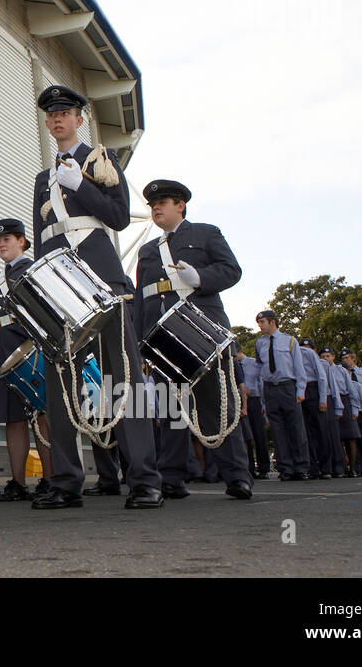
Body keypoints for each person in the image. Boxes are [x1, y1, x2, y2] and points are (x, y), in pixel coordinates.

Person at [29, 85, 163, 511]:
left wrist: (81, 186)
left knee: (123, 378)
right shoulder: (41, 179)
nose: (58, 119)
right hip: (59, 284)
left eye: (65, 112)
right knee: (60, 383)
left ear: (79, 119)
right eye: (52, 114)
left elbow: (119, 216)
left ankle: (144, 479)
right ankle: (67, 481)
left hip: (101, 278)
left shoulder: (99, 161)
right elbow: (41, 239)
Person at [135, 179, 251, 500]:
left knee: (215, 403)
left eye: (163, 202)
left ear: (180, 205)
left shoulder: (205, 233)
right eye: (153, 204)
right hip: (163, 334)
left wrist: (200, 278)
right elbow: (143, 298)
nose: (156, 208)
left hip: (202, 328)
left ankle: (237, 476)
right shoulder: (147, 250)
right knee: (172, 408)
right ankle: (172, 477)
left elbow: (232, 270)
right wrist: (140, 343)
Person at [0, 219, 53, 501]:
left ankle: (50, 479)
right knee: (13, 420)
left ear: (22, 241)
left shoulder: (34, 271)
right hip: (0, 355)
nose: (1, 244)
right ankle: (18, 482)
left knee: (41, 419)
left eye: (7, 239)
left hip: (30, 351)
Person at [253, 310, 311, 480]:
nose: (260, 325)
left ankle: (300, 467)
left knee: (296, 428)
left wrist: (300, 390)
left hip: (287, 386)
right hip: (270, 388)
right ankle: (286, 468)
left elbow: (299, 368)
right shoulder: (260, 343)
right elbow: (259, 369)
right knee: (277, 430)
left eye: (262, 321)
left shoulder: (290, 340)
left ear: (272, 322)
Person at [296, 336, 333, 479]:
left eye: (309, 347)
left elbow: (322, 377)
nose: (305, 349)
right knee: (305, 432)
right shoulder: (294, 354)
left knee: (322, 430)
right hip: (300, 389)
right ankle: (312, 468)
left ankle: (326, 468)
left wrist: (323, 399)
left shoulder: (311, 355)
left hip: (313, 389)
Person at [338, 348, 362, 476]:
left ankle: (355, 468)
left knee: (354, 440)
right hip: (341, 407)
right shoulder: (337, 380)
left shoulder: (359, 381)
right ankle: (345, 468)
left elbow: (357, 396)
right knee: (341, 439)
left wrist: (358, 411)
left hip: (354, 409)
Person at [239, 348, 270, 478]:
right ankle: (249, 468)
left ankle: (264, 468)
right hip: (240, 400)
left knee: (259, 434)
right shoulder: (232, 365)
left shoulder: (253, 363)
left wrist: (264, 404)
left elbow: (261, 383)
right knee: (246, 436)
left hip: (254, 401)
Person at [318, 345, 347, 477]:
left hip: (337, 401)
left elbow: (336, 389)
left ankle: (340, 467)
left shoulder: (340, 370)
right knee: (326, 436)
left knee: (337, 437)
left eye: (328, 356)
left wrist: (339, 407)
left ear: (333, 357)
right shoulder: (320, 367)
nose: (326, 358)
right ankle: (330, 466)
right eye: (323, 356)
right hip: (323, 401)